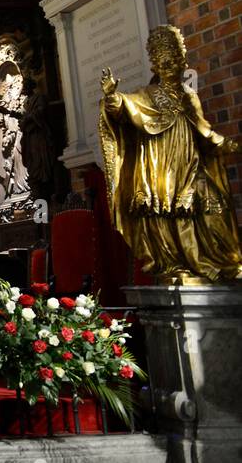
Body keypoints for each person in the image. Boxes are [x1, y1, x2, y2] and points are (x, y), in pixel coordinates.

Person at [99, 25, 242, 283]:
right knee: (166, 215)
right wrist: (112, 97)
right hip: (160, 167)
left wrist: (224, 143)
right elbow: (124, 107)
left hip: (192, 164)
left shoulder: (189, 96)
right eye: (162, 63)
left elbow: (203, 129)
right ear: (155, 67)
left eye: (173, 61)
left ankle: (225, 262)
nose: (168, 67)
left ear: (182, 61)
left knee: (214, 207)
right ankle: (175, 263)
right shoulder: (149, 94)